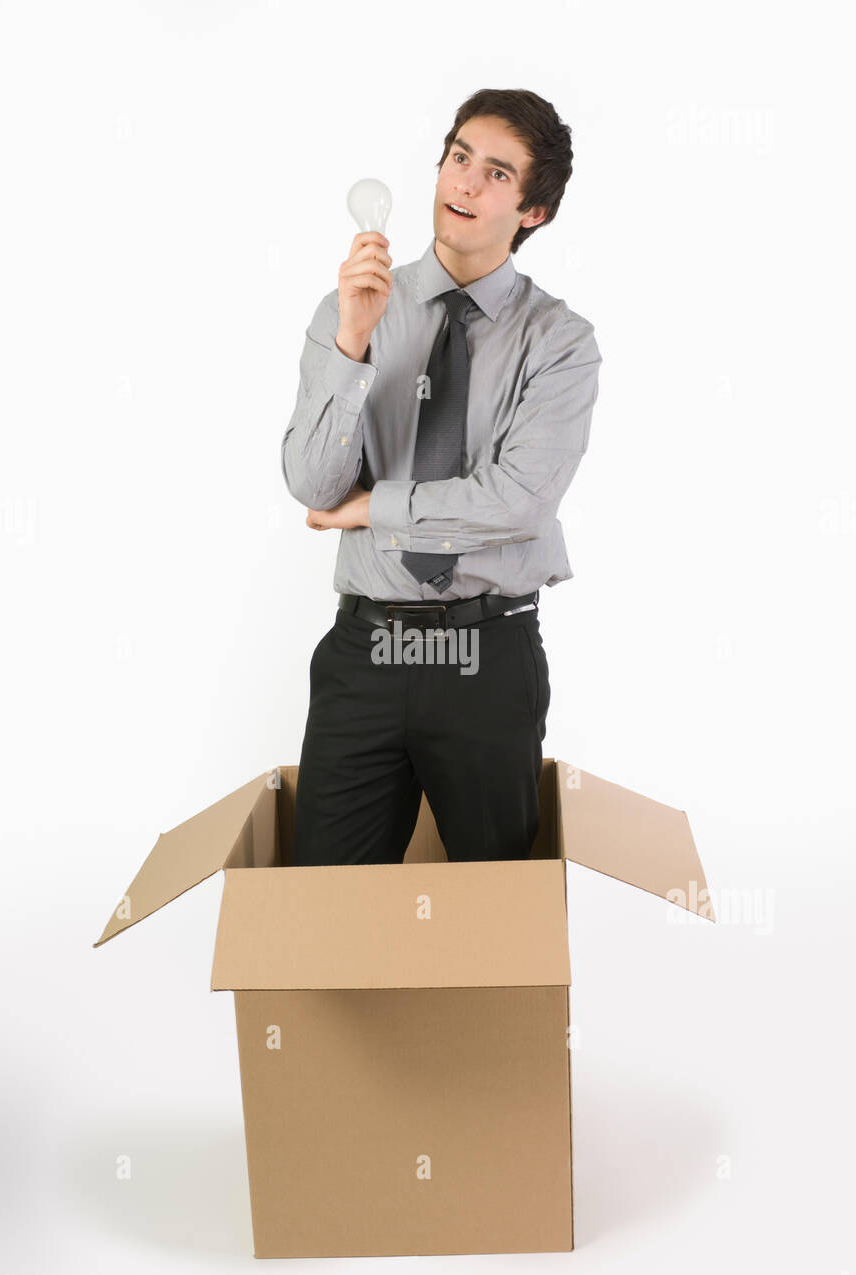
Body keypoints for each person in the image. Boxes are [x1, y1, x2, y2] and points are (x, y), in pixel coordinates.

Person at [282, 88, 602, 866]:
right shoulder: (350, 309)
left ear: (534, 212)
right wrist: (354, 346)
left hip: (486, 658)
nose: (463, 183)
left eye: (496, 173)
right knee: (325, 903)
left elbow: (517, 504)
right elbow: (310, 484)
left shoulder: (559, 342)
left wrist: (373, 511)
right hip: (366, 653)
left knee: (499, 912)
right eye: (458, 157)